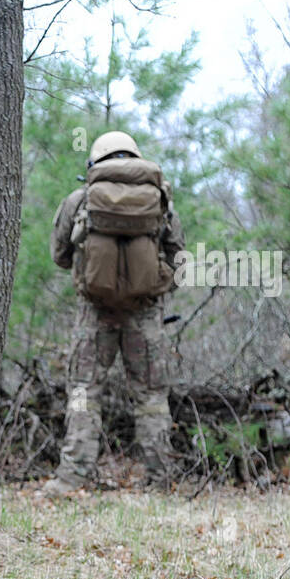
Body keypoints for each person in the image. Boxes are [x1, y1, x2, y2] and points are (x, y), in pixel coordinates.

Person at [40, 130, 186, 498]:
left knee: (83, 393)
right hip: (145, 314)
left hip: (95, 313)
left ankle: (71, 480)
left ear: (94, 162)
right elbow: (180, 261)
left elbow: (59, 256)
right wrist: (155, 286)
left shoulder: (80, 199)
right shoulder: (161, 200)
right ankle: (160, 480)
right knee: (151, 396)